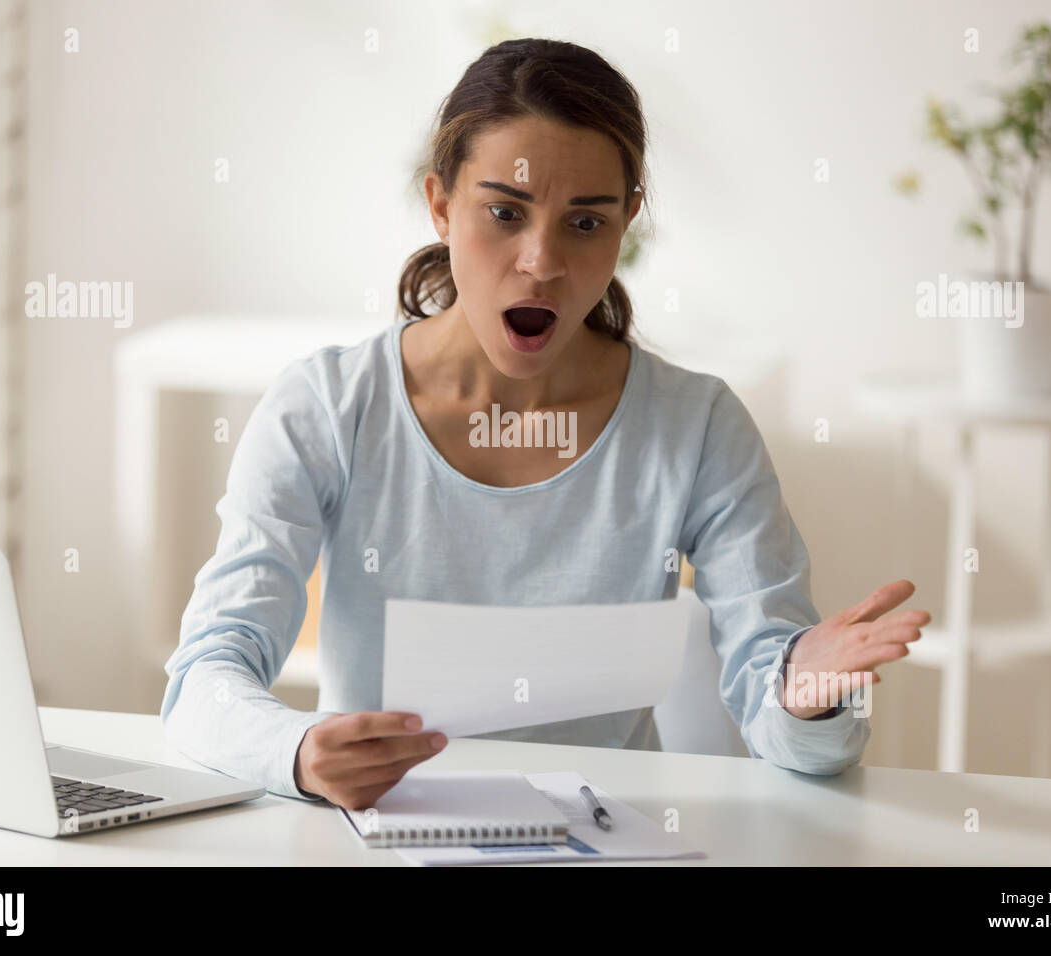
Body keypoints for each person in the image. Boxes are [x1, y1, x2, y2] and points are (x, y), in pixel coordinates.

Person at [161, 38, 929, 812]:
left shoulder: (697, 426)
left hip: (611, 843)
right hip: (381, 836)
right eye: (504, 212)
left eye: (585, 223)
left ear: (627, 222)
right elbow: (204, 678)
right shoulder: (325, 407)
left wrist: (809, 693)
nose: (542, 261)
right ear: (439, 204)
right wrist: (294, 751)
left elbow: (794, 726)